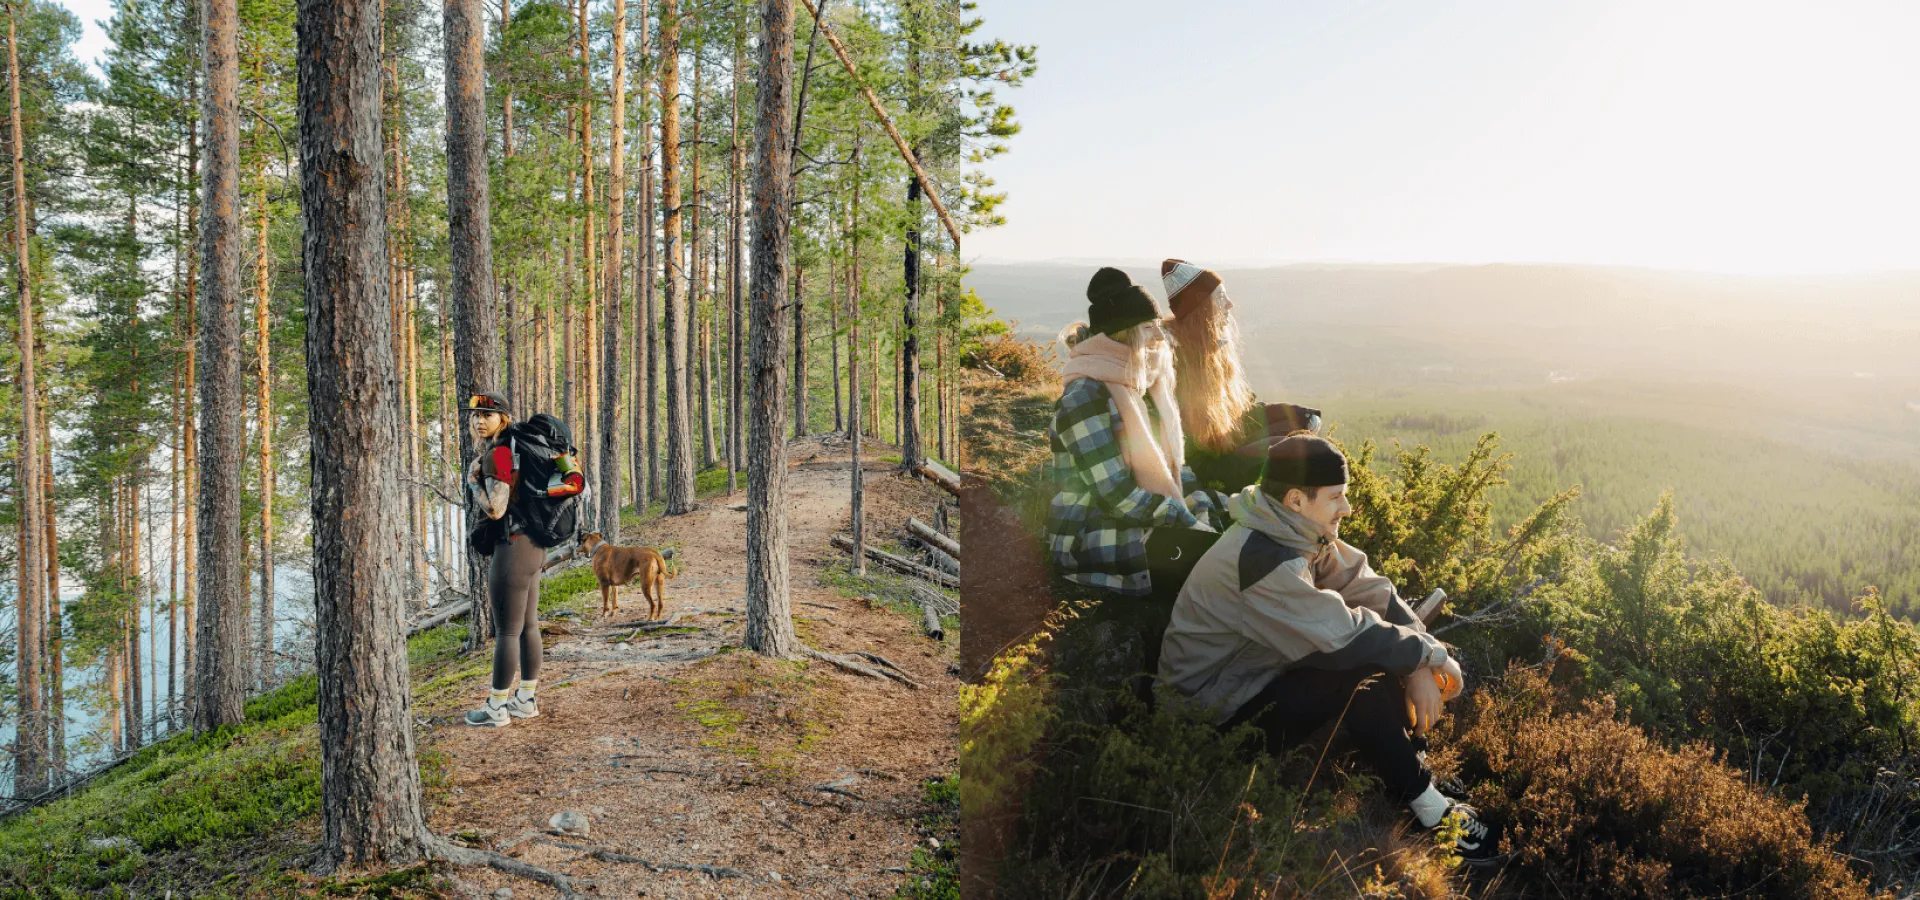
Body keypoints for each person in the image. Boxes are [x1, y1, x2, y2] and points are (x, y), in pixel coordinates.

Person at [1157, 434, 1502, 866]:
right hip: (1209, 722)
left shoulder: (1291, 528)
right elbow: (1348, 637)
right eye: (1337, 497)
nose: (1347, 508)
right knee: (1360, 671)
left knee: (1386, 644)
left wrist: (1420, 652)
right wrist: (1425, 657)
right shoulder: (1262, 562)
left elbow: (1364, 584)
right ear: (1298, 499)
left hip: (1251, 679)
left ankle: (1412, 765)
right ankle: (1428, 810)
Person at [1045, 267, 1206, 598]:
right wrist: (1182, 516)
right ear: (1122, 334)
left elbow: (1163, 471)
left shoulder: (1132, 383)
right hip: (1091, 531)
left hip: (1130, 516)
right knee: (1218, 568)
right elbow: (1116, 493)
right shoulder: (1085, 396)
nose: (1160, 337)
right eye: (1149, 327)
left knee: (1230, 523)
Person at [1160, 258, 1323, 523]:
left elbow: (1243, 412)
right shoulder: (1177, 365)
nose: (1229, 305)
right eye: (1220, 298)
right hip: (1205, 467)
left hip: (1223, 447)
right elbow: (1188, 454)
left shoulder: (1214, 354)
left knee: (1295, 430)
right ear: (1201, 309)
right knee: (1288, 446)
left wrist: (1299, 415)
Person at [462, 391, 549, 728]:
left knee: (507, 632)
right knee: (527, 625)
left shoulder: (500, 453)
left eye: (487, 415)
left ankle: (497, 706)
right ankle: (525, 699)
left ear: (504, 418)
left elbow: (496, 507)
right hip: (534, 545)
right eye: (475, 415)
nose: (479, 420)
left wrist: (473, 483)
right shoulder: (518, 451)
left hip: (512, 546)